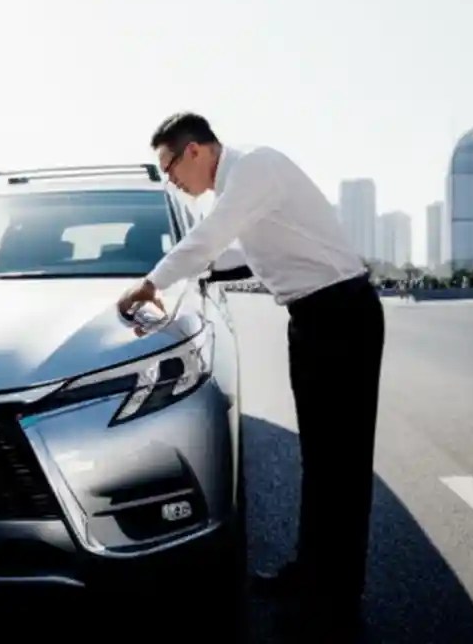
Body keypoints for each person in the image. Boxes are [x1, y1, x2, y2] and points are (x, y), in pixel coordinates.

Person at [116, 112, 385, 622]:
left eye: (170, 166)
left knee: (342, 463)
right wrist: (196, 276)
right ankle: (313, 574)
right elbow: (239, 251)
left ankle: (337, 595)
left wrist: (151, 283)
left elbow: (214, 236)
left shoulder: (254, 168)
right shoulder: (240, 189)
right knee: (320, 458)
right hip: (311, 317)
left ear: (195, 150)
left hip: (342, 316)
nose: (171, 179)